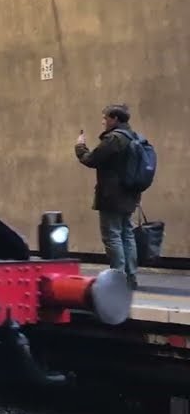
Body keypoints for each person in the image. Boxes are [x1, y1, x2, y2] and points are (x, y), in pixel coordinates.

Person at [75, 103, 142, 290]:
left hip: (111, 196)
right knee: (127, 235)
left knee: (112, 236)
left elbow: (91, 159)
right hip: (130, 195)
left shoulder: (114, 139)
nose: (103, 121)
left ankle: (118, 276)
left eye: (106, 118)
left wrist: (80, 146)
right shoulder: (133, 137)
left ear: (115, 119)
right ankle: (130, 276)